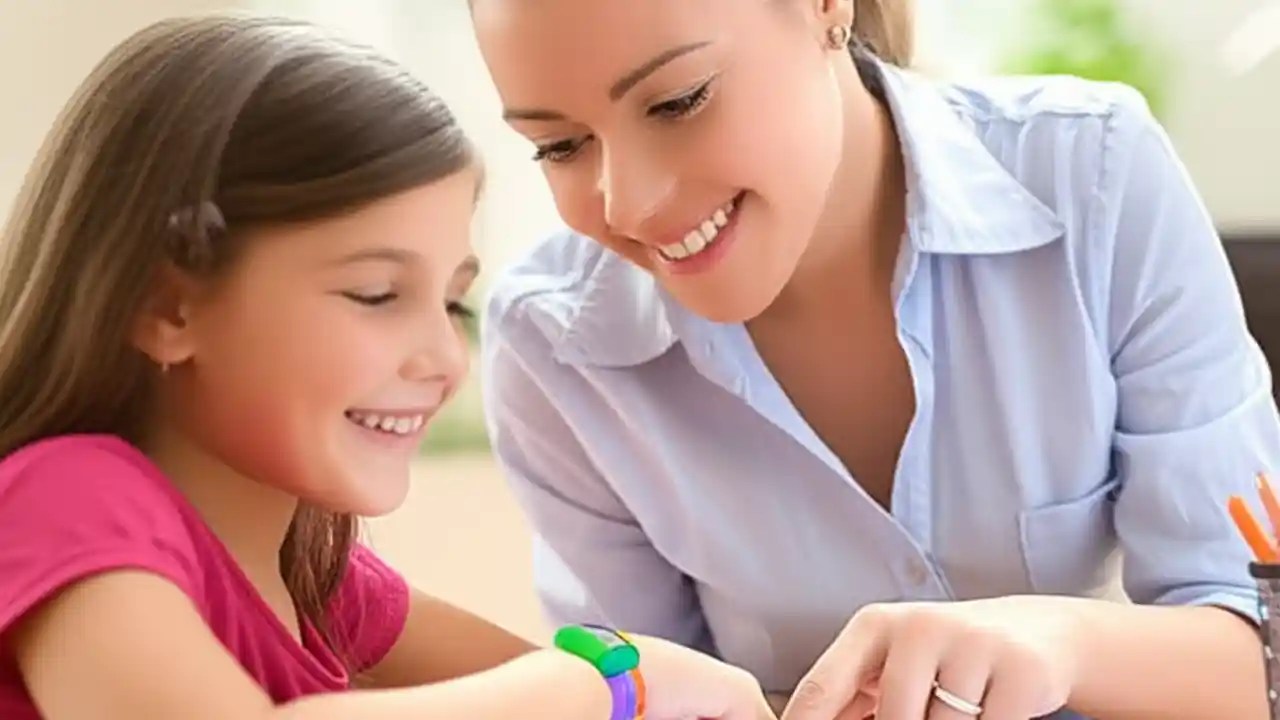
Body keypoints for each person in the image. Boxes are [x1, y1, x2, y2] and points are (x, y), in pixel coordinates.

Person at [470, 0, 1280, 717]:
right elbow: (639, 697)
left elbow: (1260, 657)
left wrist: (1059, 642)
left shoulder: (1094, 177)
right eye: (560, 146)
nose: (631, 203)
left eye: (679, 101)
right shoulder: (555, 345)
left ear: (827, 5)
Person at [0, 14, 777, 720]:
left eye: (453, 304)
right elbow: (582, 695)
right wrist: (606, 682)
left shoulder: (323, 583)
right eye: (376, 295)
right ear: (168, 308)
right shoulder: (67, 497)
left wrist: (641, 686)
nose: (444, 360)